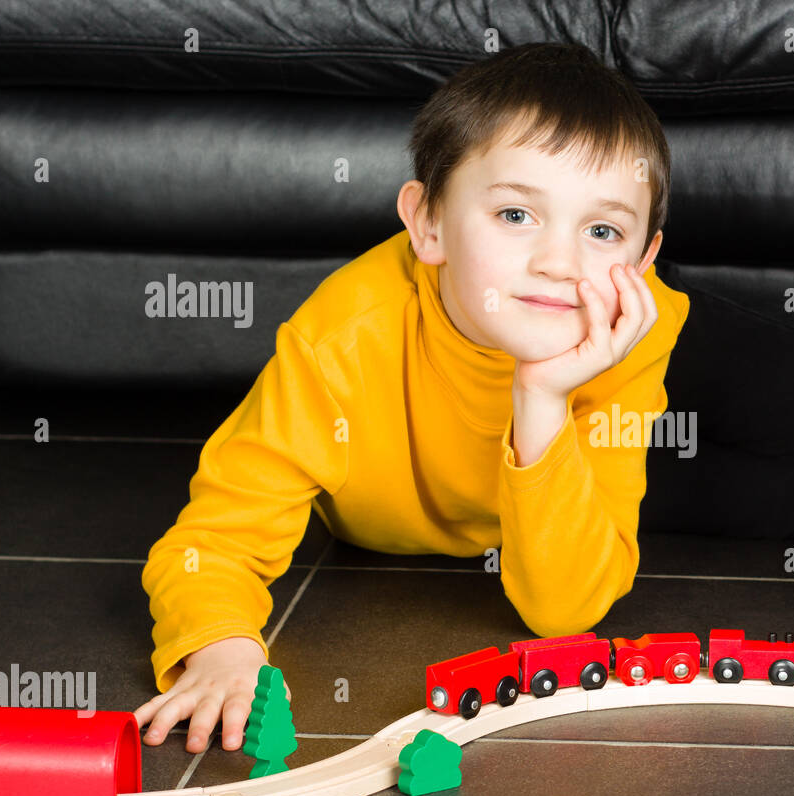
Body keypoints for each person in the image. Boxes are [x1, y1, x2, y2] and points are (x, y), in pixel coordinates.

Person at [137, 42, 689, 752]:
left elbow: (565, 606)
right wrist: (223, 649)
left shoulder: (630, 329)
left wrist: (545, 395)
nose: (559, 263)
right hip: (471, 496)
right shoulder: (339, 340)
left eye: (603, 231)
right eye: (516, 214)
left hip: (649, 414)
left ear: (643, 262)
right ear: (428, 225)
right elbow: (212, 542)